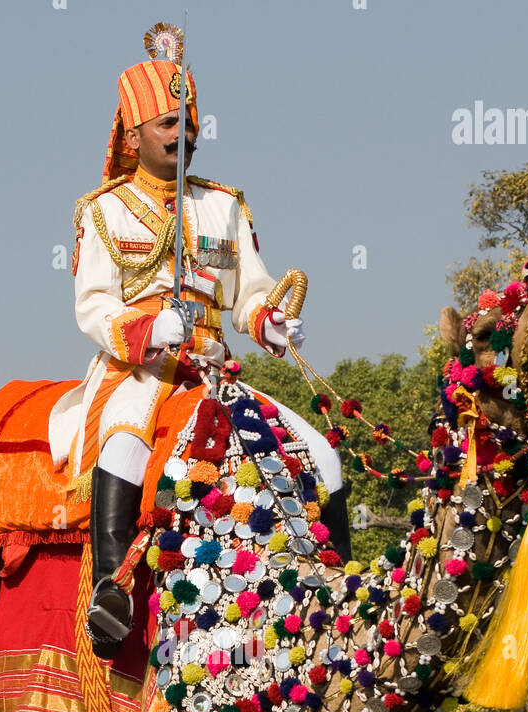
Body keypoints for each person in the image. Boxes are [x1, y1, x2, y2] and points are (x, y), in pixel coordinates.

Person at [63, 22, 351, 657]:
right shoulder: (102, 211)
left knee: (319, 457)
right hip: (138, 373)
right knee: (125, 447)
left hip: (215, 372)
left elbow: (250, 289)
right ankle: (110, 597)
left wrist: (267, 319)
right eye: (167, 123)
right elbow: (92, 306)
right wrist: (146, 330)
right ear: (133, 134)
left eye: (189, 120)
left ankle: (338, 592)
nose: (183, 133)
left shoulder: (224, 205)